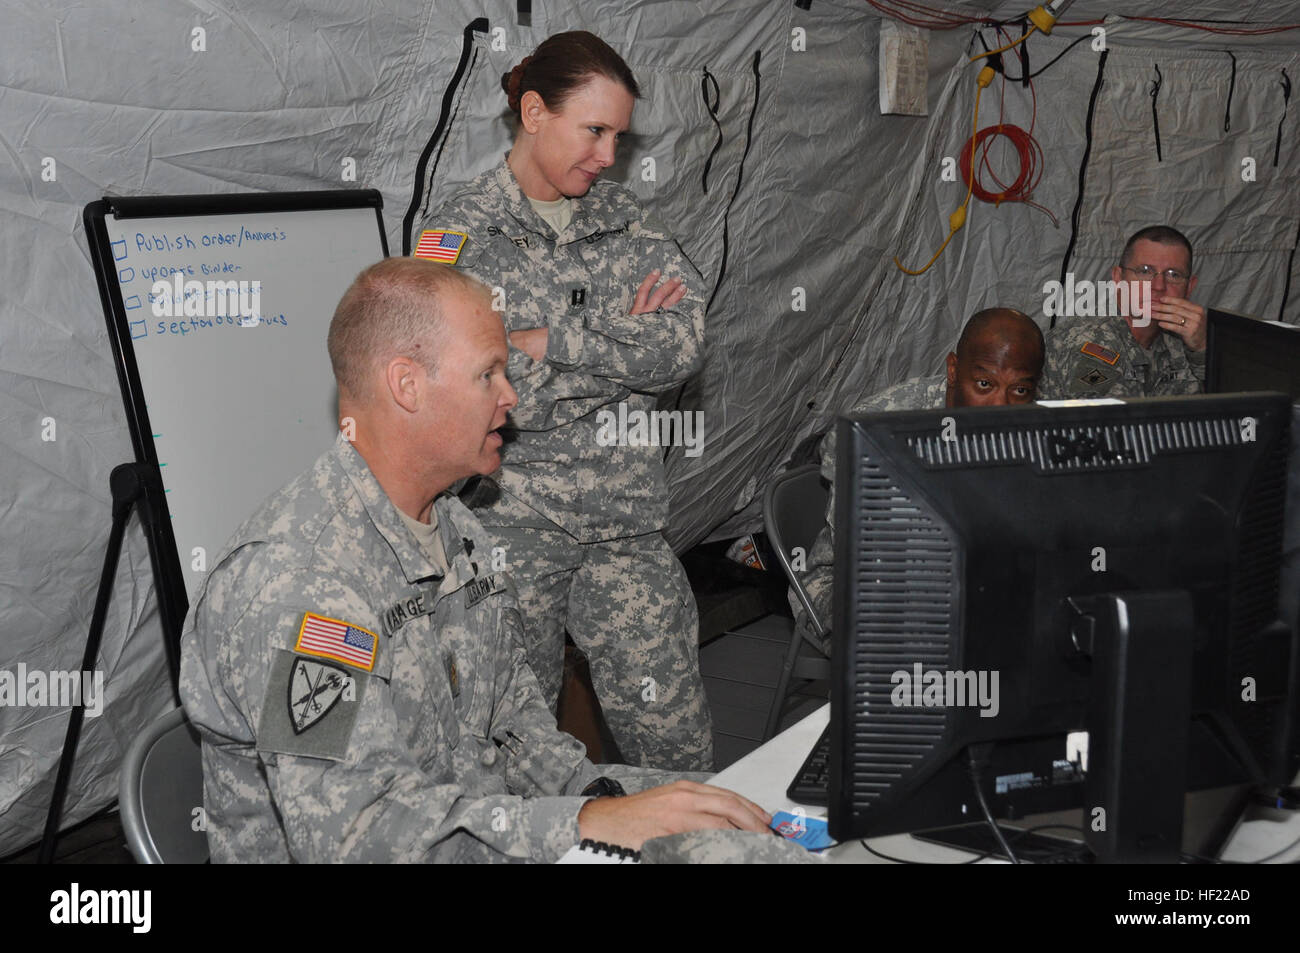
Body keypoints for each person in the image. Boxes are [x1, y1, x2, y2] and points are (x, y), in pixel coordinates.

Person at [178, 258, 769, 863]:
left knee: (736, 827)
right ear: (407, 385)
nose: (511, 396)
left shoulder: (459, 528)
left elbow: (515, 722)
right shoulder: (298, 582)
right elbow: (358, 841)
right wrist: (586, 825)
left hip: (486, 836)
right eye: (488, 373)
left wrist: (598, 796)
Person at [417, 31, 712, 771]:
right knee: (515, 757)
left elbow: (683, 345)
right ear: (535, 111)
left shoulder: (625, 221)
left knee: (675, 750)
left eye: (619, 135)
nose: (609, 156)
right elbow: (486, 394)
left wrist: (548, 339)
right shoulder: (453, 236)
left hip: (628, 533)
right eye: (595, 130)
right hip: (511, 536)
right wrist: (619, 350)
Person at [789, 308, 1045, 649]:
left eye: (1020, 391)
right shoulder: (876, 430)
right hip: (857, 584)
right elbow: (875, 559)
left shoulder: (1035, 431)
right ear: (953, 370)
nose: (1000, 406)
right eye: (985, 384)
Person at [1040, 225, 1206, 399]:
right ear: (1118, 278)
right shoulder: (1092, 339)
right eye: (1145, 271)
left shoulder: (1181, 342)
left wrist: (1202, 350)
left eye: (1174, 275)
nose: (1159, 286)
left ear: (1190, 287)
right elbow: (1107, 420)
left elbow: (1224, 407)